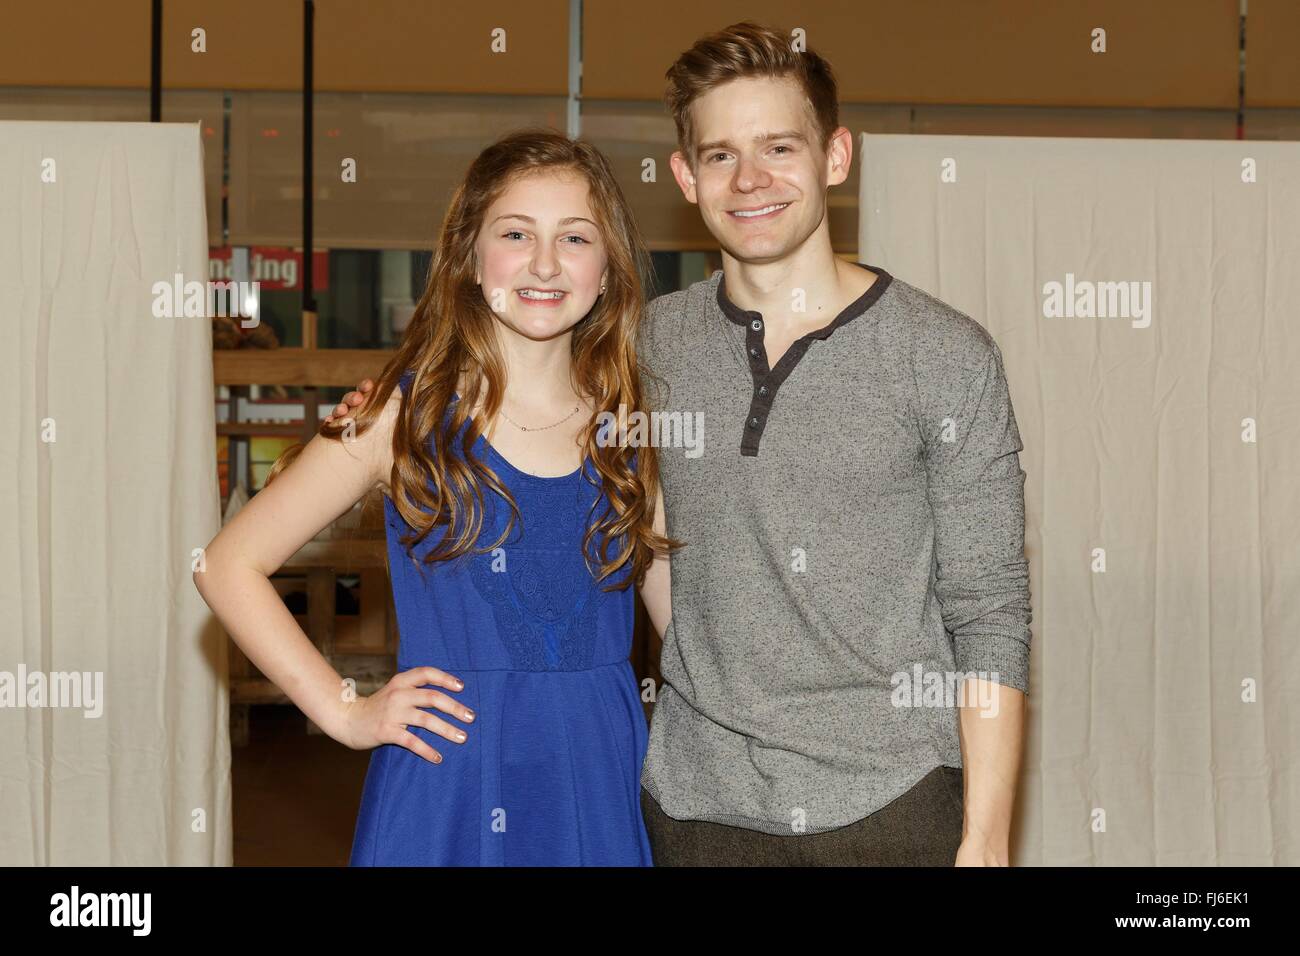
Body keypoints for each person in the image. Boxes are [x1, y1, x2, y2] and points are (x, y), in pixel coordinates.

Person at [329, 21, 1032, 866]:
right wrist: (382, 412)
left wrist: (987, 836)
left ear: (836, 157)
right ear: (687, 177)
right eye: (721, 155)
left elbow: (990, 612)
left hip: (892, 806)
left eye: (779, 147)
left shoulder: (944, 355)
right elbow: (515, 389)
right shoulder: (639, 352)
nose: (751, 179)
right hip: (694, 809)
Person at [194, 129, 678, 866]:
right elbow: (227, 564)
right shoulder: (403, 417)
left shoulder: (632, 430)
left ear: (608, 268)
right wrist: (344, 711)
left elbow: (688, 630)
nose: (546, 262)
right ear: (470, 259)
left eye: (575, 237)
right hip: (449, 778)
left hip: (596, 778)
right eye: (516, 233)